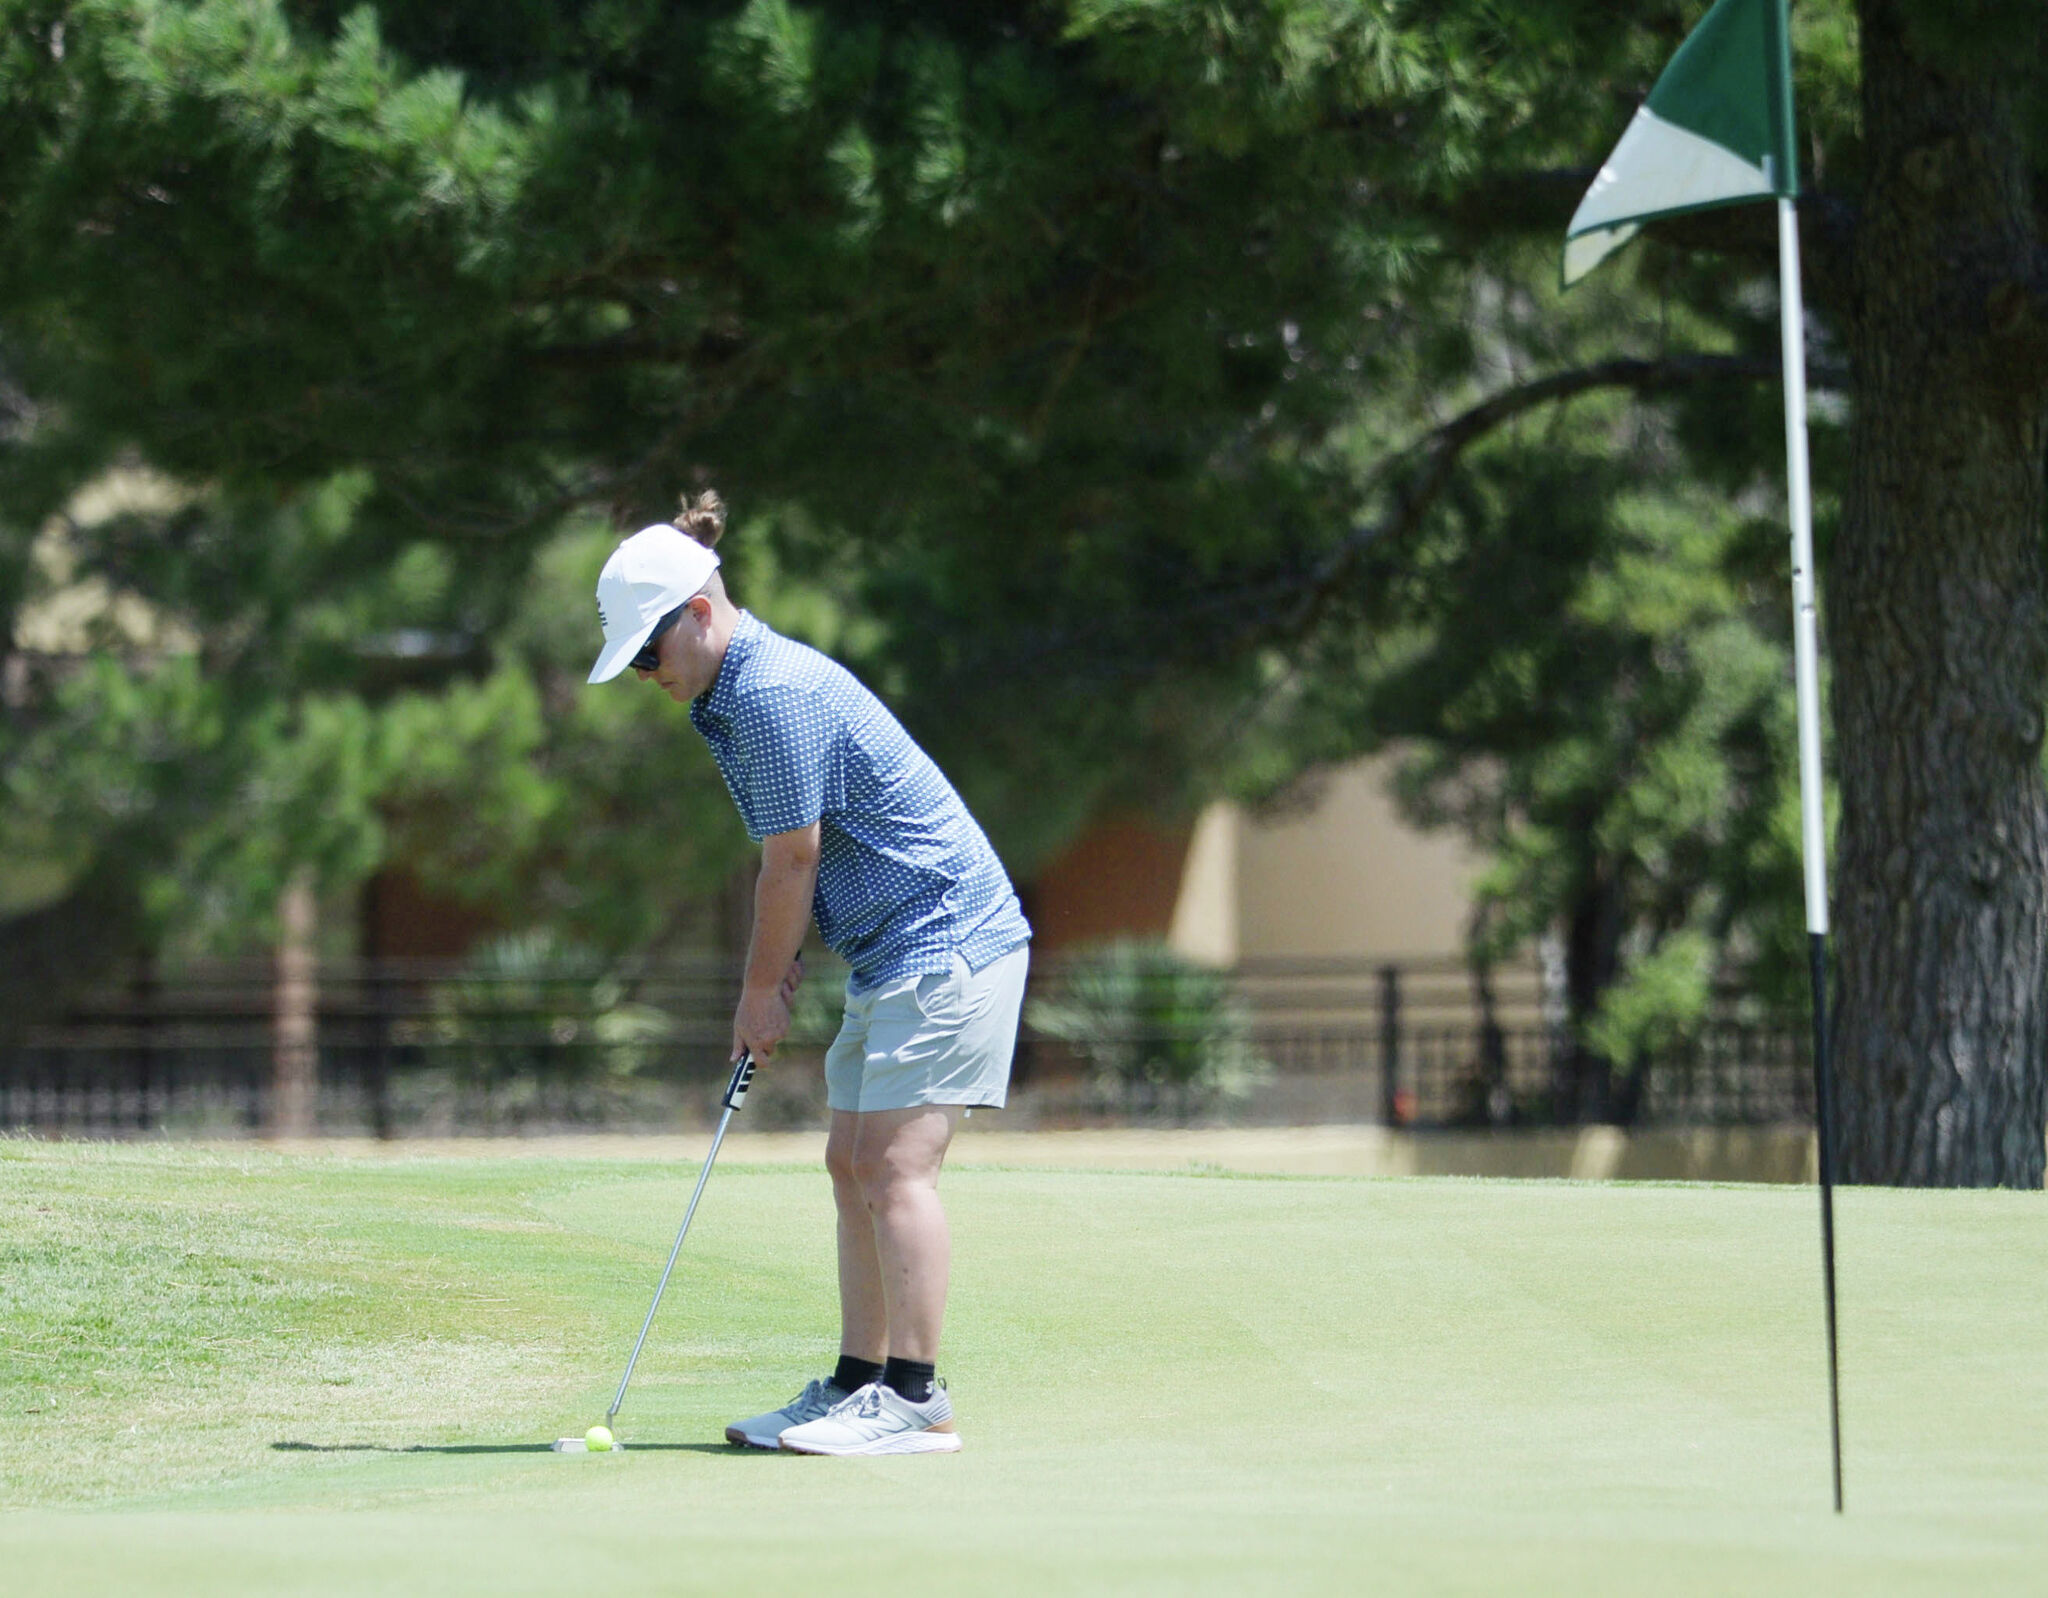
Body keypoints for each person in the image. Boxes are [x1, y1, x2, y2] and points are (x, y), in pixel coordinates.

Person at [586, 491, 1031, 1456]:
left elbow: (792, 858)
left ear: (699, 612)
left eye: (649, 654)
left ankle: (916, 1400)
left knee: (897, 1166)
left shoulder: (773, 693)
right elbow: (796, 865)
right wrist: (781, 962)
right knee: (850, 1164)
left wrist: (757, 992)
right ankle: (858, 1384)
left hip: (949, 939)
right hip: (891, 946)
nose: (646, 676)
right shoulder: (729, 697)